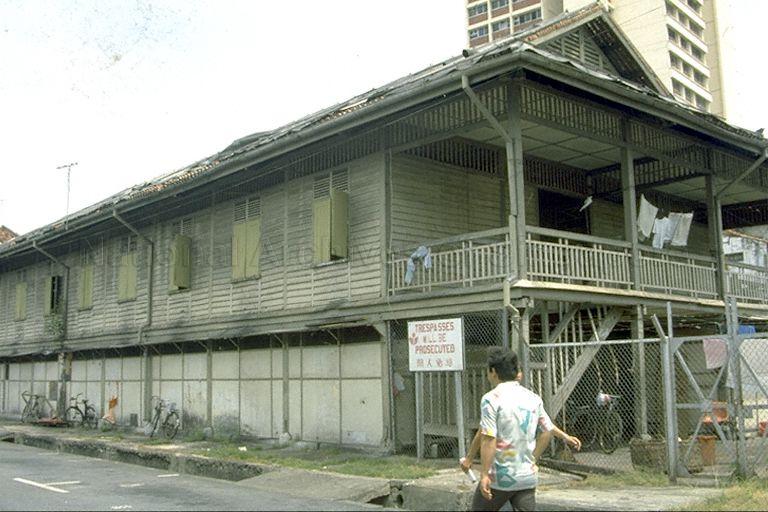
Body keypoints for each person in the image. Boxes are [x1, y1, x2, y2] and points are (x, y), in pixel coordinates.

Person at [465, 347, 553, 511]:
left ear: (493, 372)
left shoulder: (491, 399)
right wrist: (532, 459)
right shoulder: (533, 398)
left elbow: (489, 439)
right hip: (527, 476)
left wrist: (484, 474)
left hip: (500, 477)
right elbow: (547, 431)